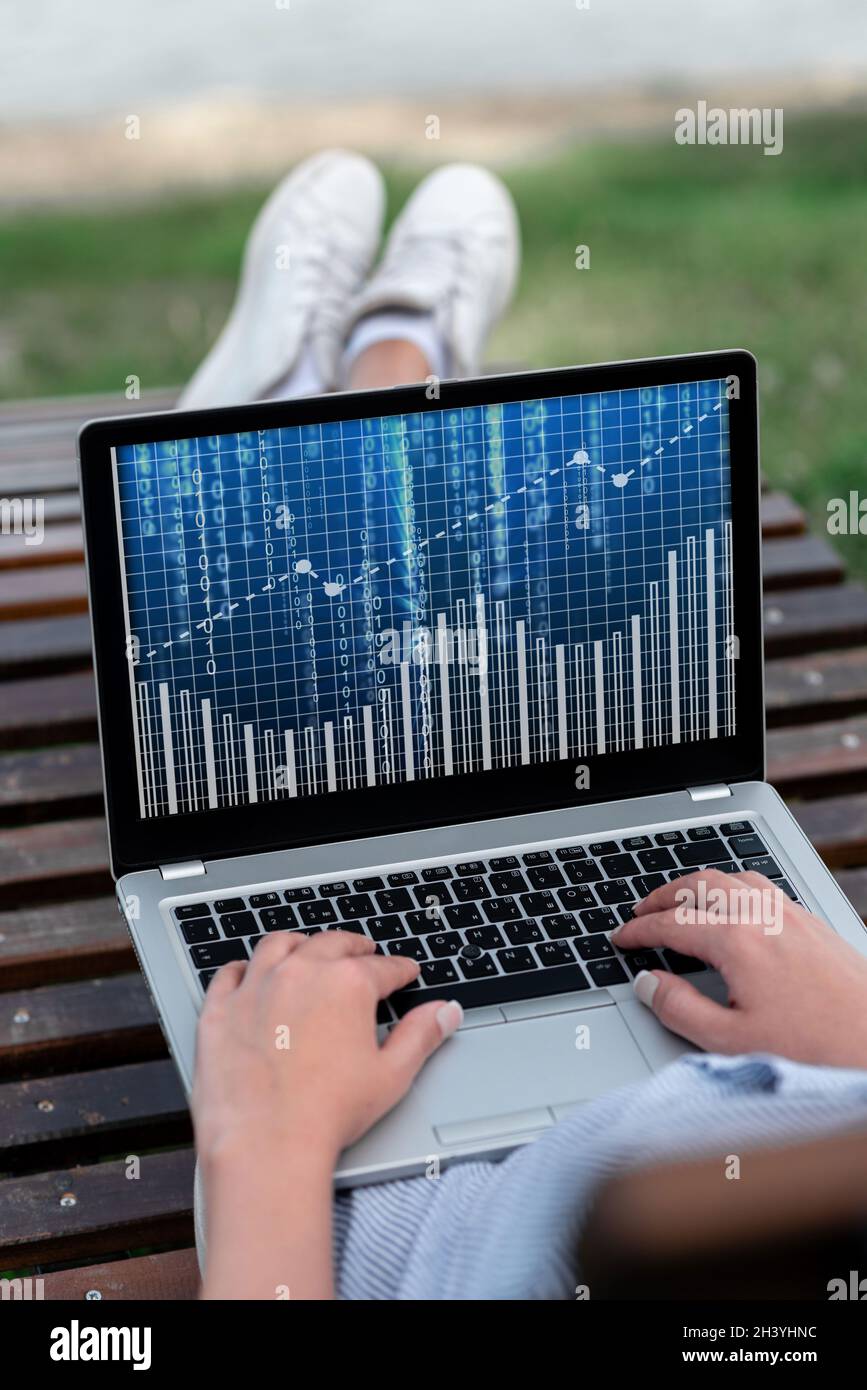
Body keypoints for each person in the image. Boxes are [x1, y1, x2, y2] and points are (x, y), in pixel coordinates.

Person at [184, 152, 867, 1300]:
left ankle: (310, 403)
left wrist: (265, 1148)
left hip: (350, 1207)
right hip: (791, 1078)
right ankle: (383, 367)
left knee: (315, 684)